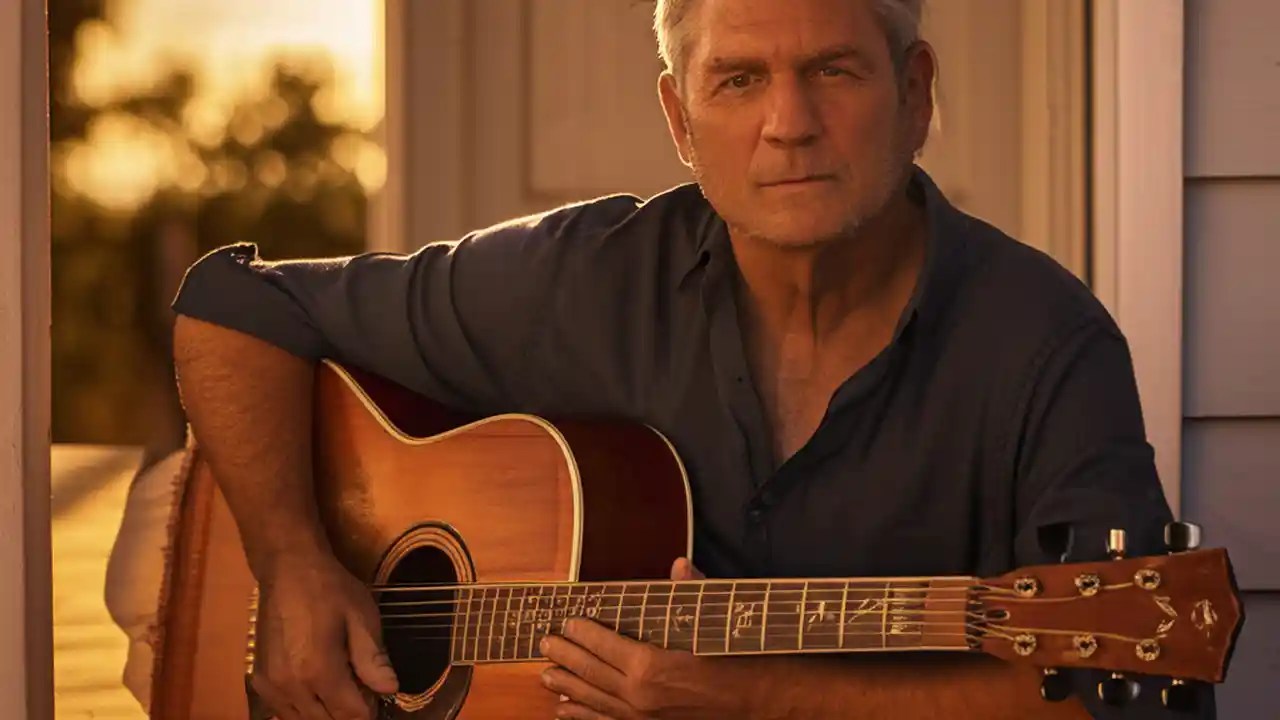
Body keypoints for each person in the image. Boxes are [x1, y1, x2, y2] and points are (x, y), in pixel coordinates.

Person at [170, 0, 1205, 718]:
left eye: (832, 71)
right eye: (738, 79)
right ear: (677, 116)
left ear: (915, 92)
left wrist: (748, 701)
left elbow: (1122, 695)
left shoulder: (1041, 342)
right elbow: (233, 307)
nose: (786, 126)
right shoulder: (581, 280)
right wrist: (294, 565)